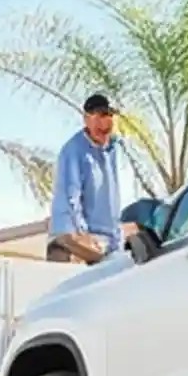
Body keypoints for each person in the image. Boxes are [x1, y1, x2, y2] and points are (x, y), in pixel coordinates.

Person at [48, 93, 137, 264]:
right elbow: (70, 196)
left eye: (109, 115)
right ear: (86, 119)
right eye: (100, 116)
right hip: (76, 238)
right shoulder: (73, 150)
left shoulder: (112, 148)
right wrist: (83, 237)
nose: (105, 123)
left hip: (107, 241)